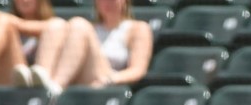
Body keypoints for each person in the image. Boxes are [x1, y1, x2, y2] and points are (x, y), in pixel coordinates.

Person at [17, 0, 152, 98]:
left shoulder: (137, 28)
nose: (107, 2)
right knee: (55, 24)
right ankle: (42, 80)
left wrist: (111, 79)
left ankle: (55, 87)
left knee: (79, 24)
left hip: (107, 81)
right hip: (81, 79)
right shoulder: (92, 28)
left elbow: (138, 70)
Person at [0, 0, 68, 101]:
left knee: (4, 21)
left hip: (29, 84)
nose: (24, 1)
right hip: (2, 78)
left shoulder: (54, 25)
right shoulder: (3, 25)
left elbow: (22, 25)